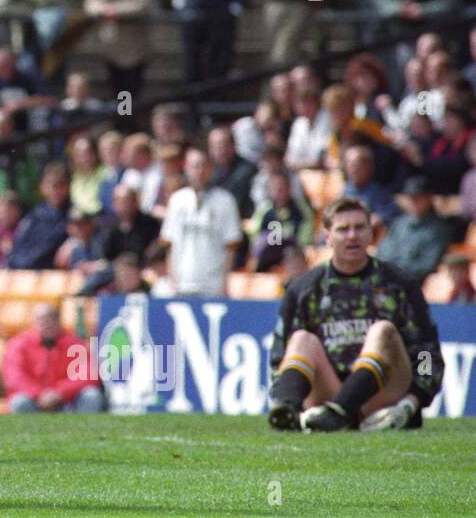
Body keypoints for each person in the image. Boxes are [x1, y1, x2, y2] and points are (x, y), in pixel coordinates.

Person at [268, 197, 445, 432]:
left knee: (383, 331)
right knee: (301, 339)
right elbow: (280, 356)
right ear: (327, 237)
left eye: (359, 227)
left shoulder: (400, 284)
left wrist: (411, 403)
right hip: (327, 394)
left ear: (371, 233)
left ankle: (340, 412)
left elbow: (426, 352)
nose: (352, 235)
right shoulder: (304, 289)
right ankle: (286, 412)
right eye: (343, 229)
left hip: (382, 399)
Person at [159, 148, 243, 297]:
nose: (199, 171)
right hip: (183, 284)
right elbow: (170, 245)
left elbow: (230, 247)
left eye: (204, 165)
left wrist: (224, 284)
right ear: (186, 168)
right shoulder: (177, 200)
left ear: (211, 168)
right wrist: (173, 282)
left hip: (213, 286)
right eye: (194, 166)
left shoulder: (225, 200)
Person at [2, 304, 104, 414]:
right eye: (42, 320)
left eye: (51, 319)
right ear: (34, 322)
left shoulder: (75, 343)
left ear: (58, 321)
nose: (47, 324)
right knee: (19, 402)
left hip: (67, 401)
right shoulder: (18, 344)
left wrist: (60, 393)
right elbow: (14, 377)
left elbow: (89, 375)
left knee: (91, 395)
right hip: (34, 401)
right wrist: (39, 394)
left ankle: (82, 431)